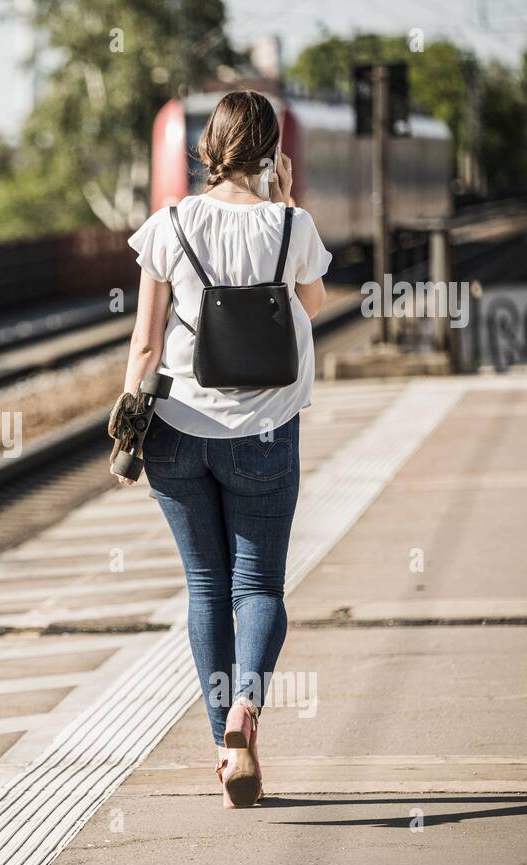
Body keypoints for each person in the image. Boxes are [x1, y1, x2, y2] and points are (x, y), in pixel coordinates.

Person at [120, 90, 332, 808]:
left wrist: (127, 425)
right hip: (265, 429)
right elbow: (312, 303)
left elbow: (146, 342)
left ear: (207, 148)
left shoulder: (168, 224)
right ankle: (248, 707)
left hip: (177, 427)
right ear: (272, 151)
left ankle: (224, 748)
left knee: (206, 588)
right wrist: (287, 200)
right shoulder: (290, 223)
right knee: (260, 588)